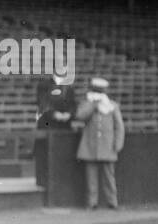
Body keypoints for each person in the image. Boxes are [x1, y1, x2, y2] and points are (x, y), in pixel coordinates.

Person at [74, 76, 124, 209]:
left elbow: (119, 127)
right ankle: (92, 203)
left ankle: (112, 202)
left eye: (101, 91)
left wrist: (117, 144)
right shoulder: (86, 103)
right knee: (91, 178)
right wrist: (94, 104)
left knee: (109, 177)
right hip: (90, 146)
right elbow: (80, 116)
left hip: (108, 146)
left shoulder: (112, 106)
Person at [34, 72, 78, 188]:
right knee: (45, 154)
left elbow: (73, 105)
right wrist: (54, 114)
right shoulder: (44, 85)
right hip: (48, 125)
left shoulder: (69, 86)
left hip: (64, 126)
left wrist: (69, 114)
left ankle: (61, 182)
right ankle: (44, 183)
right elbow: (43, 103)